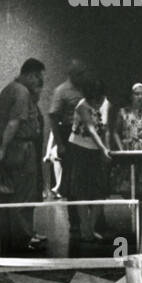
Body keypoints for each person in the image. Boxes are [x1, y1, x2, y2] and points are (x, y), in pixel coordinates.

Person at [0, 58, 47, 253]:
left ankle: (14, 236)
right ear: (31, 75)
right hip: (21, 149)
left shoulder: (9, 89)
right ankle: (22, 238)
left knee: (9, 193)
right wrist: (3, 148)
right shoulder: (21, 92)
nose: (39, 83)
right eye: (38, 78)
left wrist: (2, 148)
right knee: (23, 194)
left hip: (13, 149)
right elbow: (14, 123)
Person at [66, 77, 112, 242]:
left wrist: (106, 149)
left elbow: (105, 129)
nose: (96, 103)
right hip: (79, 150)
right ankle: (85, 228)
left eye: (98, 99)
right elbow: (91, 129)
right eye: (93, 99)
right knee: (81, 191)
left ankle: (90, 228)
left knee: (100, 190)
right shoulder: (82, 105)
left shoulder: (106, 103)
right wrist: (103, 148)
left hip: (96, 150)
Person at [48, 61, 87, 237]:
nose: (83, 76)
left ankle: (89, 219)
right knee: (71, 181)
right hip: (68, 135)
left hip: (84, 135)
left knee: (85, 179)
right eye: (80, 73)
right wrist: (60, 144)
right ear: (72, 74)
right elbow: (53, 117)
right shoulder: (61, 91)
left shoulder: (84, 89)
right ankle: (75, 222)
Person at [111, 82, 142, 200]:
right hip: (128, 150)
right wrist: (121, 149)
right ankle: (133, 213)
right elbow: (115, 132)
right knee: (127, 186)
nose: (140, 97)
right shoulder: (123, 112)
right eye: (137, 94)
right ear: (131, 95)